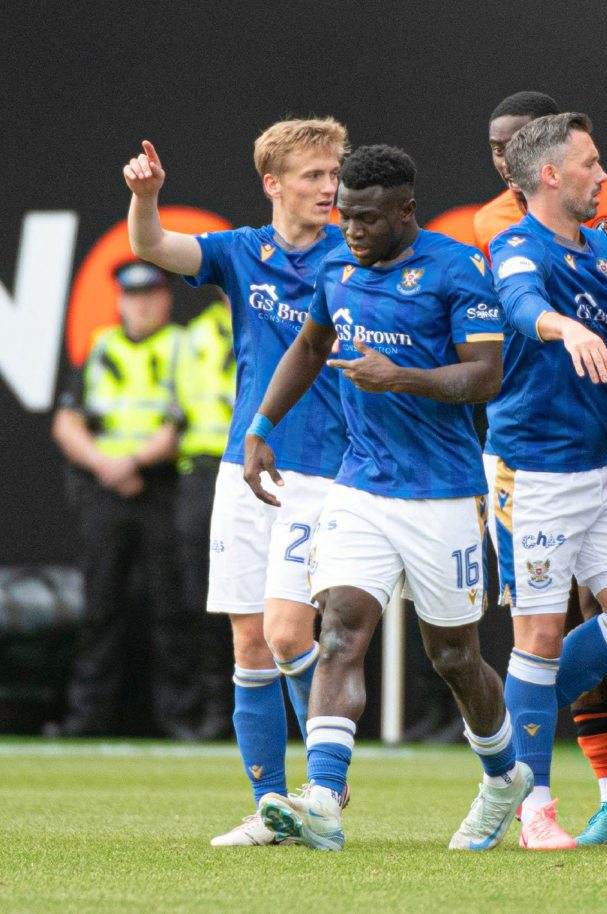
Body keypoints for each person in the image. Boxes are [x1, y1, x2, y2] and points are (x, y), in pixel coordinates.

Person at [245, 145, 524, 852]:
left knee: (456, 659)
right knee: (338, 630)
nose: (352, 231)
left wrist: (398, 377)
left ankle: (503, 778)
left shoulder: (457, 270)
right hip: (360, 484)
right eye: (345, 216)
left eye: (368, 219)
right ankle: (324, 804)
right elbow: (310, 347)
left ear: (406, 211)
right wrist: (260, 426)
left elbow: (485, 377)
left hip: (443, 495)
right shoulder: (336, 264)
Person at [124, 120, 351, 845]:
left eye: (334, 173)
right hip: (241, 469)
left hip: (322, 471)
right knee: (249, 645)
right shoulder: (238, 251)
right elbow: (151, 246)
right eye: (314, 175)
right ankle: (273, 810)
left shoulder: (355, 257)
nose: (329, 188)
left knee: (289, 634)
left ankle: (328, 783)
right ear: (273, 183)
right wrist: (148, 198)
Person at [475, 90, 607, 845]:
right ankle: (534, 809)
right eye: (592, 163)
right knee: (537, 633)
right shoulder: (517, 245)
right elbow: (523, 304)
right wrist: (564, 329)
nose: (606, 175)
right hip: (531, 473)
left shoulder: (601, 249)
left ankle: (513, 717)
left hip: (598, 469)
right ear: (553, 174)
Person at [50, 261, 185, 737]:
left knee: (173, 607)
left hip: (163, 488)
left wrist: (133, 463)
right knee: (100, 607)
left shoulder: (180, 349)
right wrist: (107, 466)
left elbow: (187, 419)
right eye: (134, 295)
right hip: (105, 492)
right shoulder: (101, 347)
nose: (143, 303)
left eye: (152, 293)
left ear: (167, 298)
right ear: (120, 300)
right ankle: (87, 719)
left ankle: (179, 719)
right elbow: (67, 423)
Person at [173, 294, 238, 740]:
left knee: (278, 598)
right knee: (204, 596)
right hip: (202, 470)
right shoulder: (193, 336)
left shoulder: (284, 321)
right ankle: (215, 706)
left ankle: (287, 712)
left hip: (268, 466)